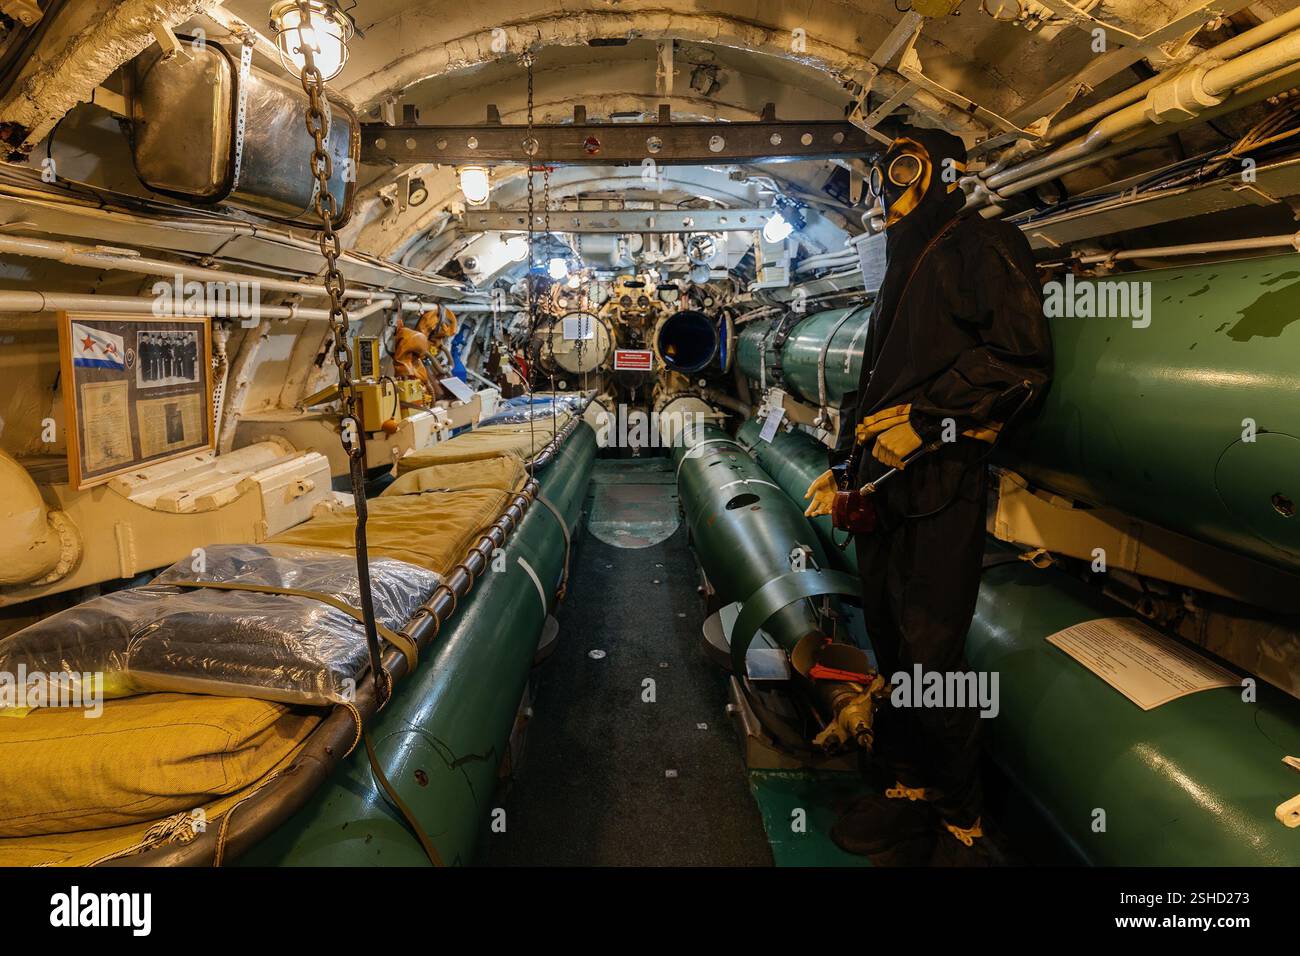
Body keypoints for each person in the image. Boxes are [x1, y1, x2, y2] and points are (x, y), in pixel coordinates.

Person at [803, 127, 1053, 866]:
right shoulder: (902, 266)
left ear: (948, 172)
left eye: (905, 169)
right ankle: (907, 784)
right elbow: (879, 383)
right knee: (887, 632)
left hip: (942, 482)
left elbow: (1020, 362)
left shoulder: (986, 244)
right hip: (884, 489)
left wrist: (930, 421)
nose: (889, 191)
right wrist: (844, 466)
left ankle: (959, 814)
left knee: (931, 653)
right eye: (884, 176)